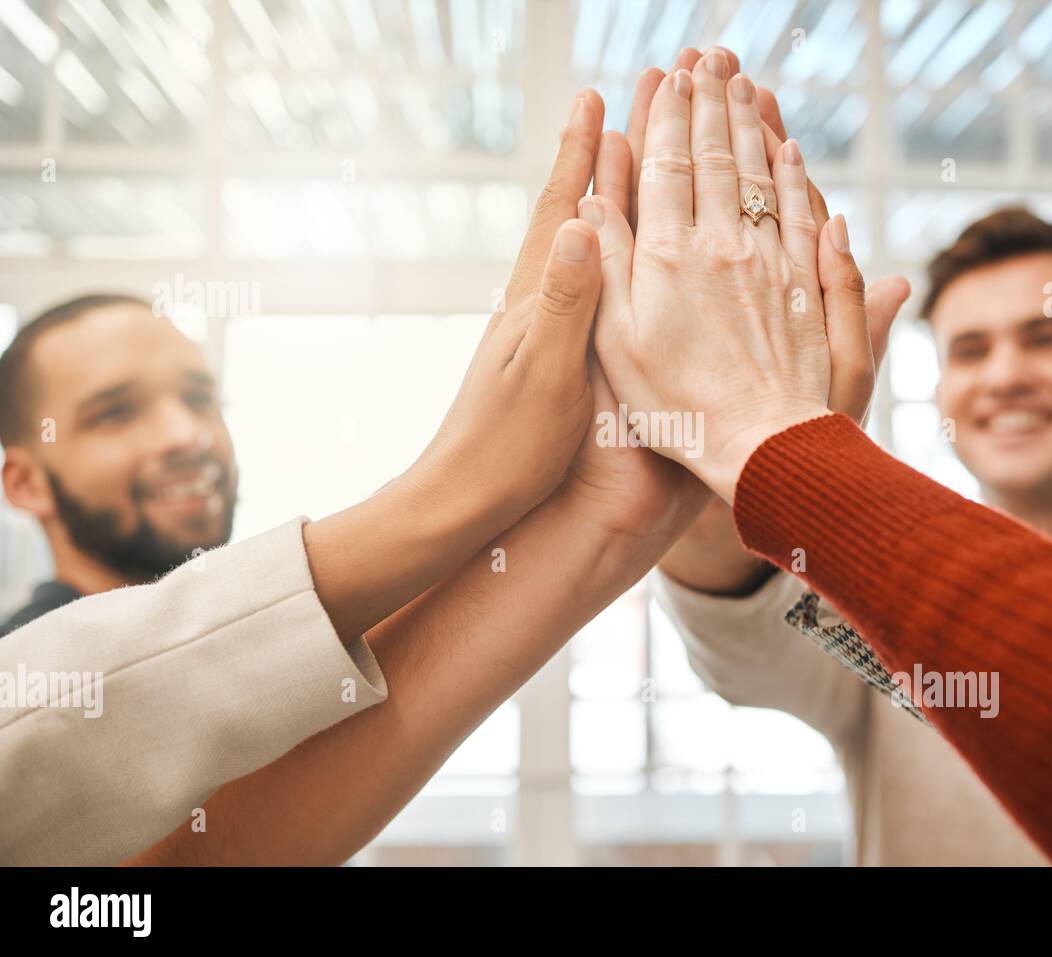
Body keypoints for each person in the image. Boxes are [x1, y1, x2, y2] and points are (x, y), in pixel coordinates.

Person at [574, 56, 1052, 865]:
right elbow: (740, 643)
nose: (1005, 374)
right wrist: (707, 450)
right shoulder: (865, 637)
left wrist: (773, 433)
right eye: (970, 349)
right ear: (943, 392)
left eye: (1047, 337)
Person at [0, 109, 609, 864]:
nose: (186, 434)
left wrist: (598, 504)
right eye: (117, 413)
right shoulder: (21, 673)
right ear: (23, 481)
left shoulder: (272, 669)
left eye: (198, 398)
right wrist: (472, 479)